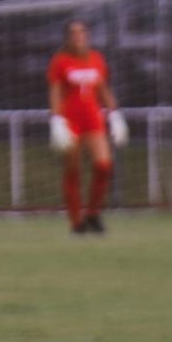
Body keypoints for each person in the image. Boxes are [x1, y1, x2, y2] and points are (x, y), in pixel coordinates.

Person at [47, 20, 128, 235]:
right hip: (70, 120)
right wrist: (56, 119)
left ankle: (92, 213)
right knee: (73, 170)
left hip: (93, 119)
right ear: (67, 37)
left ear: (88, 35)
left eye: (81, 32)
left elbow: (103, 89)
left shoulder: (96, 59)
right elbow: (55, 91)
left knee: (104, 166)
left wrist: (115, 113)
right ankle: (76, 222)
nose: (78, 36)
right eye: (73, 33)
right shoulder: (60, 61)